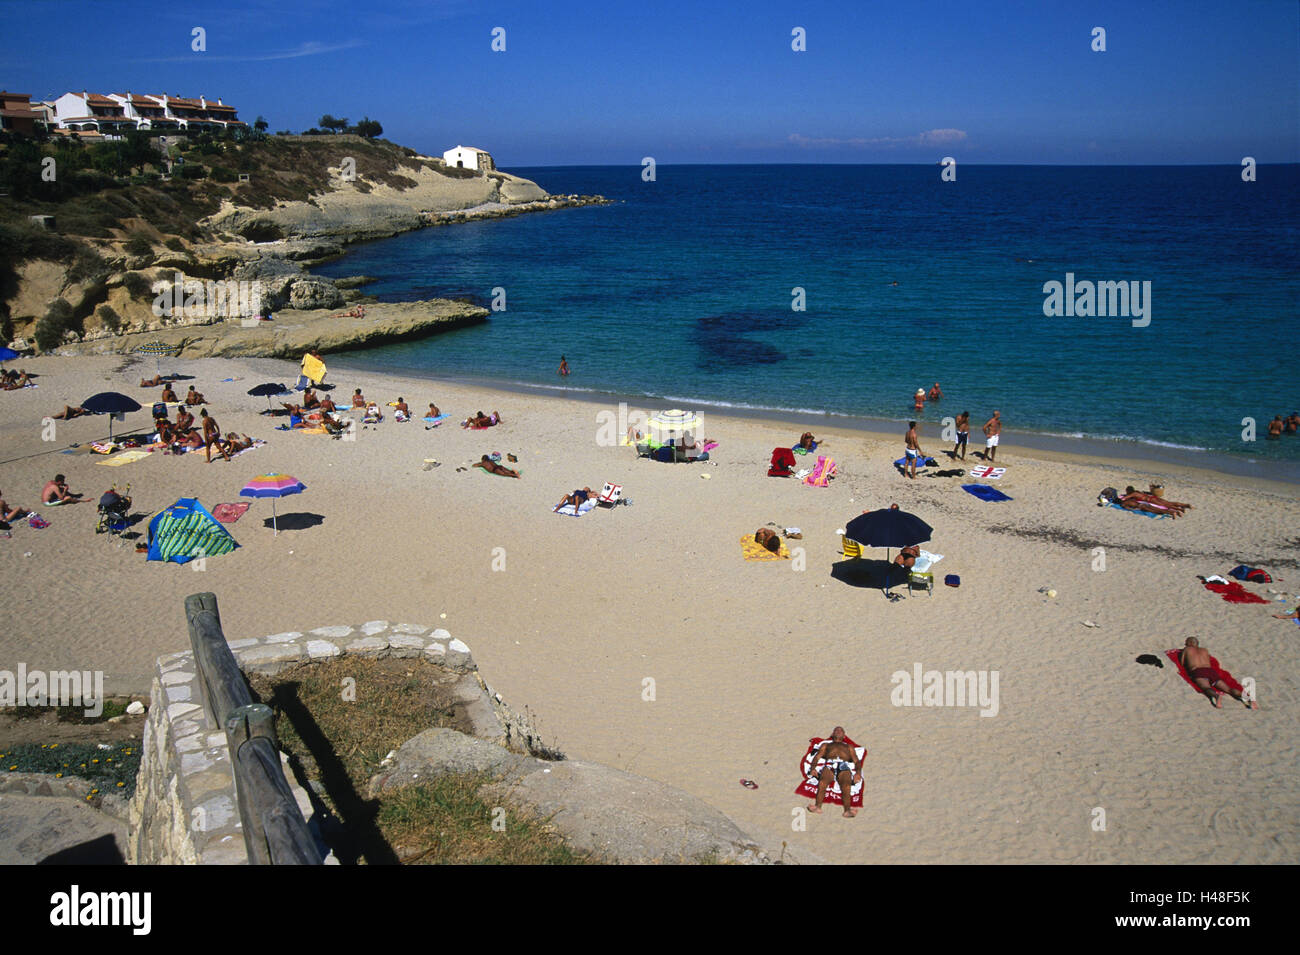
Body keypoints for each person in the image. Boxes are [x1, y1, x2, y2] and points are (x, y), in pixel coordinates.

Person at [1179, 637, 1256, 709]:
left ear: (1189, 643)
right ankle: (1249, 698)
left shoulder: (1187, 649)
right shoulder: (1205, 650)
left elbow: (1182, 663)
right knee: (1228, 689)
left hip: (1198, 671)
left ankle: (1216, 696)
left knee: (1206, 687)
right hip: (1210, 671)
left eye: (1186, 643)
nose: (1185, 644)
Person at [806, 726, 865, 818]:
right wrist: (813, 768)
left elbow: (857, 761)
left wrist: (858, 773)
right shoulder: (826, 745)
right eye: (836, 730)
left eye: (841, 731)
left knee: (846, 785)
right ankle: (818, 806)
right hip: (830, 764)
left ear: (844, 735)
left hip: (844, 765)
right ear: (832, 734)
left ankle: (847, 810)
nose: (838, 731)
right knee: (822, 782)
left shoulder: (849, 747)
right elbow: (817, 757)